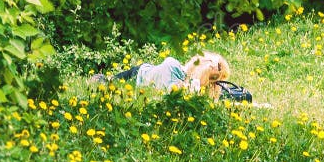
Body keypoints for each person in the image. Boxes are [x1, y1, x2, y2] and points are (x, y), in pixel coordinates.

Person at [91, 52, 231, 100]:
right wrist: (194, 83)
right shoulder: (172, 66)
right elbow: (171, 93)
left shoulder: (194, 84)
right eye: (210, 78)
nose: (208, 83)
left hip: (149, 75)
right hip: (138, 74)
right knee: (109, 81)